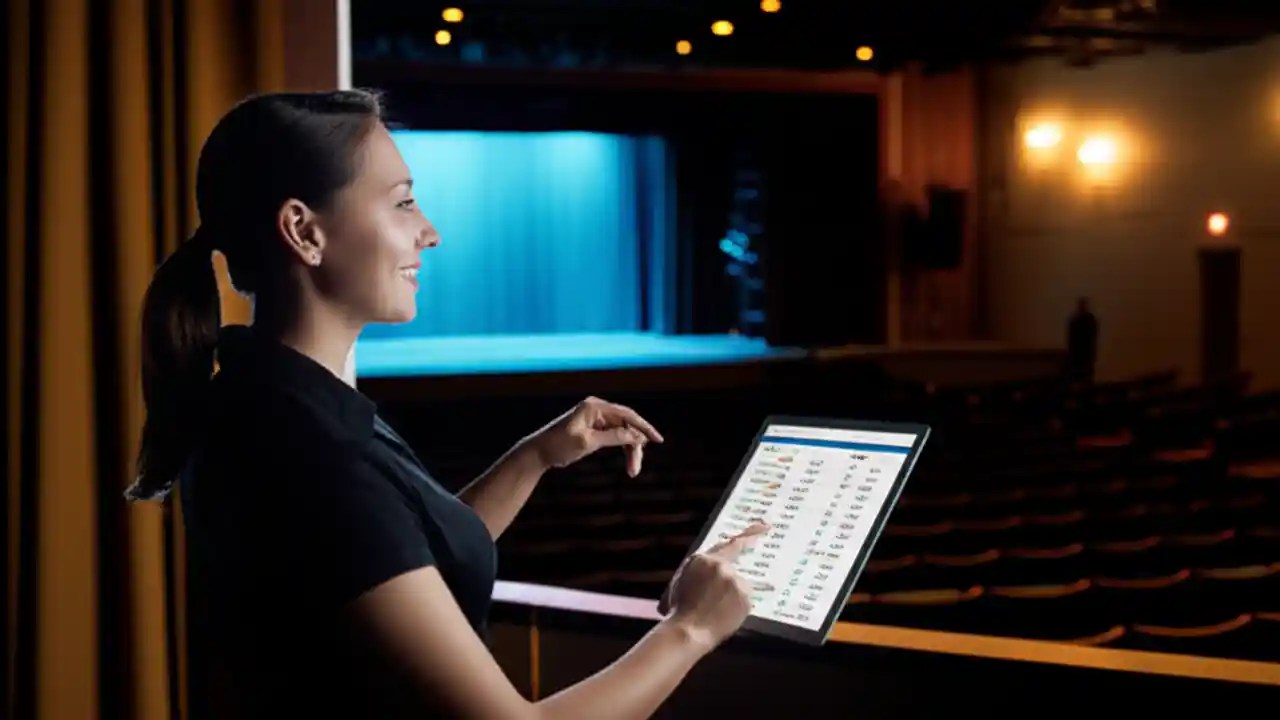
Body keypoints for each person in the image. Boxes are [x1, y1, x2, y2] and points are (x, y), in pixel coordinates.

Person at [124, 89, 768, 719]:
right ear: (303, 231)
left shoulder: (274, 403)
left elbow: (399, 554)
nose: (428, 232)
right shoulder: (311, 458)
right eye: (403, 202)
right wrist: (692, 629)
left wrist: (538, 455)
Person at [1066, 296, 1099, 383]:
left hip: (1082, 354)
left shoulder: (1076, 320)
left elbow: (1071, 339)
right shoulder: (1089, 319)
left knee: (1082, 377)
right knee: (1083, 377)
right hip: (1081, 354)